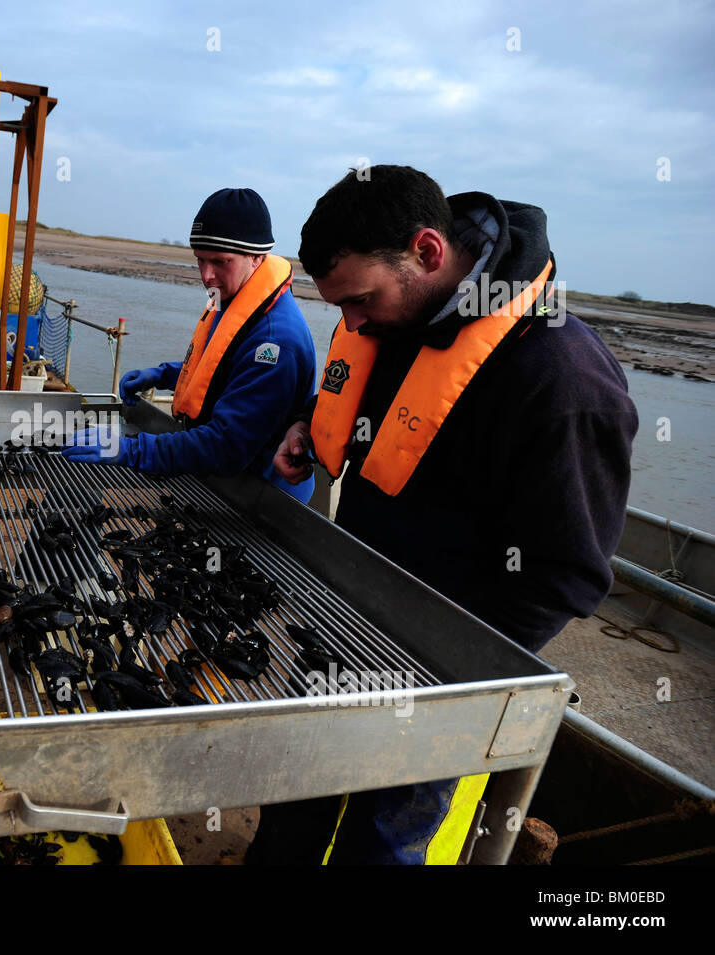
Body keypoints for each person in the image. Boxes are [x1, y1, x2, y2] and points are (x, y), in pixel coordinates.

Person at [253, 164, 637, 865]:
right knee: (291, 805)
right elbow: (380, 413)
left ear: (428, 252)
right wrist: (311, 427)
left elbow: (567, 576)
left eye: (361, 299)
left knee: (382, 843)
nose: (353, 322)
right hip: (342, 628)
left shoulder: (564, 380)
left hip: (436, 680)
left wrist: (445, 673)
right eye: (340, 306)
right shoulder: (401, 314)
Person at [62, 188, 316, 501]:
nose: (207, 276)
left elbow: (226, 446)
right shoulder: (228, 296)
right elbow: (221, 366)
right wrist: (166, 374)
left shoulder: (275, 343)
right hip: (222, 482)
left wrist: (129, 449)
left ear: (256, 257)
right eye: (200, 260)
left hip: (263, 500)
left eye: (221, 261)